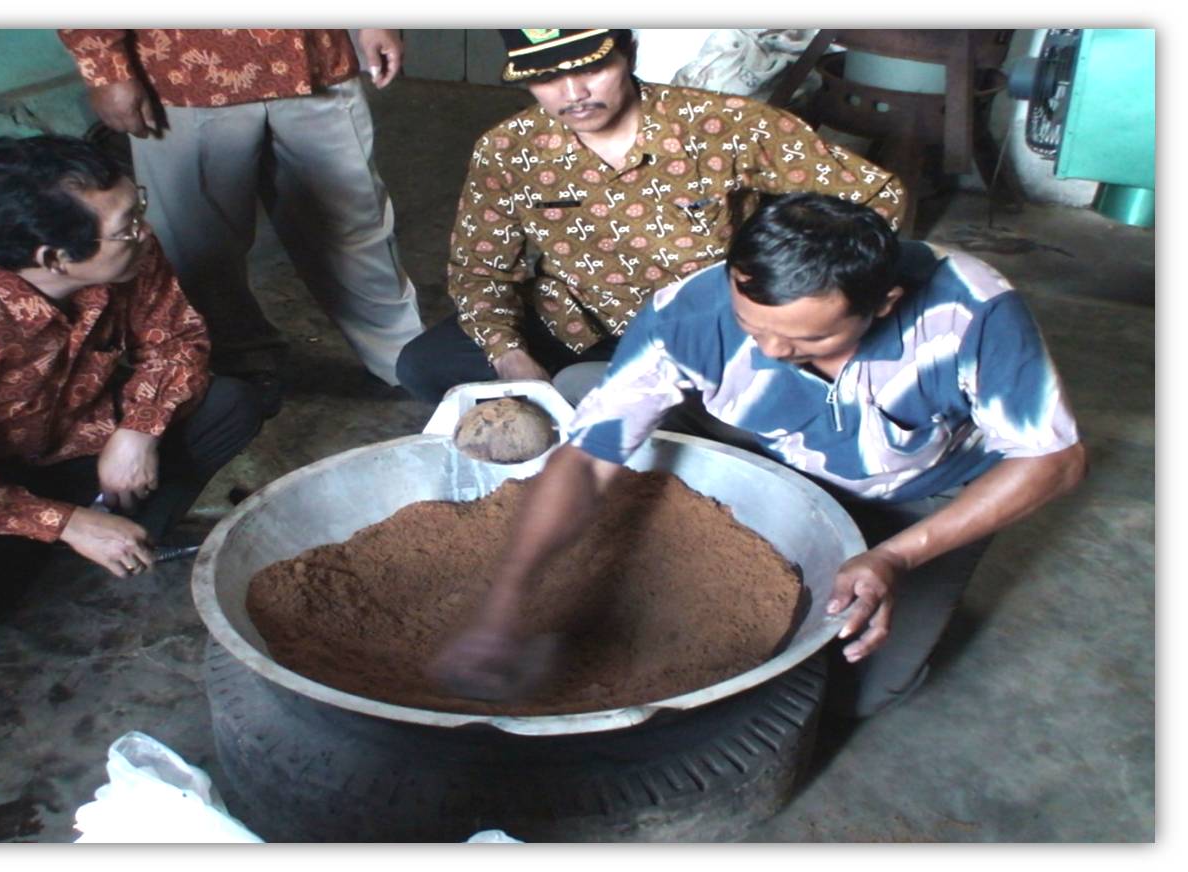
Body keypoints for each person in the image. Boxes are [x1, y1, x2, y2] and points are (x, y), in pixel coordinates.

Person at [432, 192, 1087, 718]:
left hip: (917, 490)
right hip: (766, 439)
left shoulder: (971, 314)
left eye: (807, 337)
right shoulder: (693, 310)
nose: (771, 350)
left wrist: (898, 556)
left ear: (883, 303)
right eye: (754, 328)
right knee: (584, 396)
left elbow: (1053, 460)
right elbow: (587, 457)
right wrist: (504, 604)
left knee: (860, 693)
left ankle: (932, 579)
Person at [396, 28, 908, 404]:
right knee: (425, 366)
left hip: (702, 325)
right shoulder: (508, 149)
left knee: (742, 410)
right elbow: (479, 271)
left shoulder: (724, 125)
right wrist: (510, 357)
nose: (573, 94)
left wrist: (800, 300)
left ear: (629, 53)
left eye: (593, 68)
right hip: (574, 318)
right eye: (548, 78)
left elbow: (876, 194)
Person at [0, 135, 263, 656]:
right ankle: (51, 548)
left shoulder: (127, 253)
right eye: (127, 227)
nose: (145, 230)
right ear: (55, 258)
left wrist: (139, 430)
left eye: (137, 210)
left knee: (230, 403)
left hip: (78, 440)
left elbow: (179, 339)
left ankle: (114, 531)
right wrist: (60, 522)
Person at [58, 28, 424, 415]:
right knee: (198, 243)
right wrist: (105, 67)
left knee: (354, 221)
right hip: (182, 67)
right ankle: (241, 357)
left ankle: (404, 357)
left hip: (317, 56)